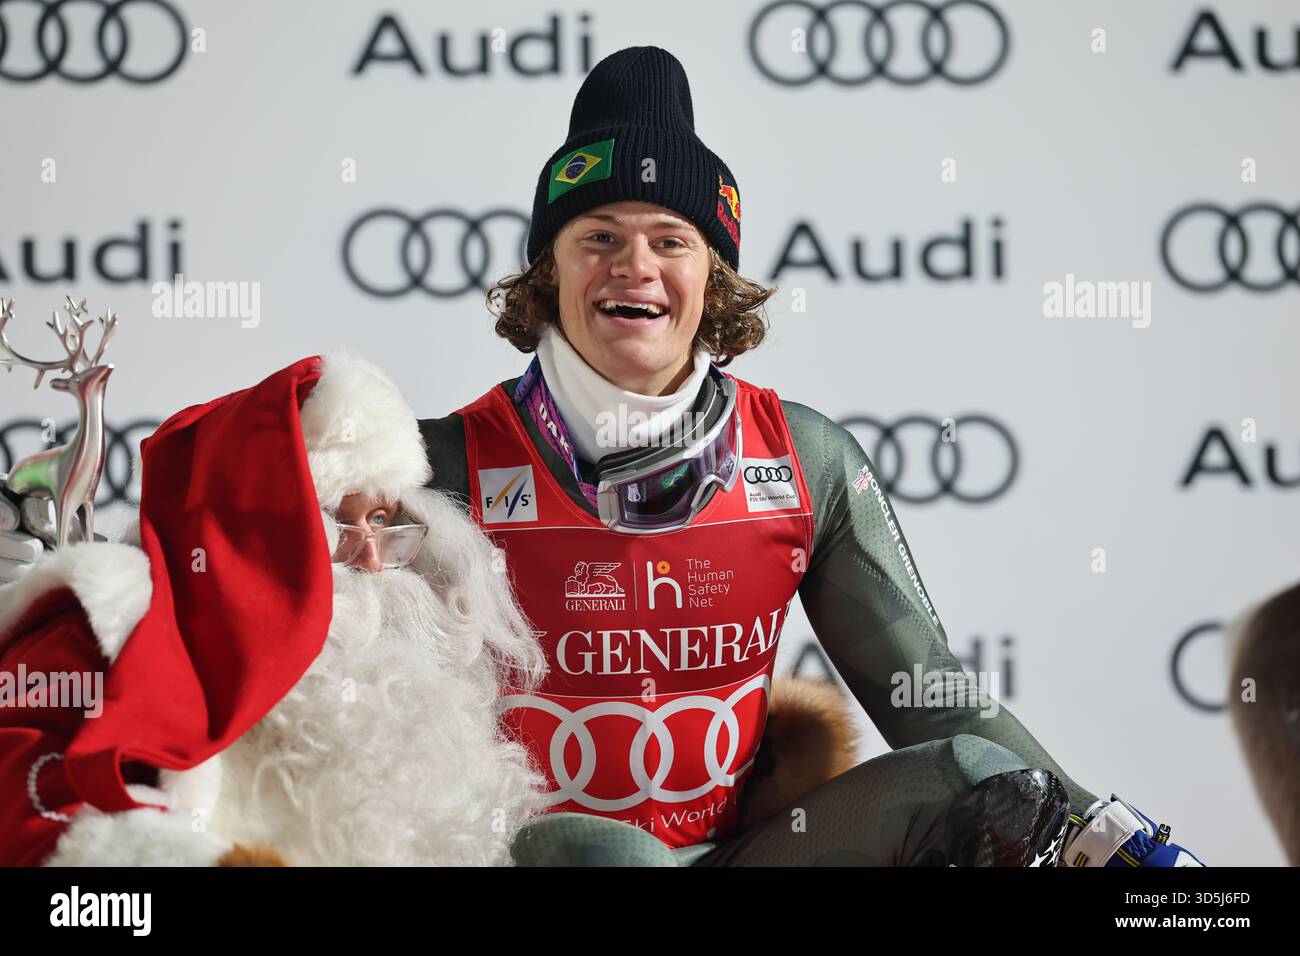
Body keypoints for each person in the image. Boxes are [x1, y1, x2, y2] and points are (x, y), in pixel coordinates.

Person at [411, 46, 1204, 867]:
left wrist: (1125, 850)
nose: (634, 265)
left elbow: (933, 704)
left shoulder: (803, 458)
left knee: (978, 777)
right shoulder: (443, 464)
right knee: (604, 851)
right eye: (598, 235)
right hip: (527, 854)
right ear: (551, 269)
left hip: (744, 854)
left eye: (670, 240)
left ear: (713, 275)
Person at [0, 351, 547, 865]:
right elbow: (32, 823)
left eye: (381, 520)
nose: (374, 563)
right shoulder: (98, 637)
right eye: (334, 517)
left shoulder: (425, 692)